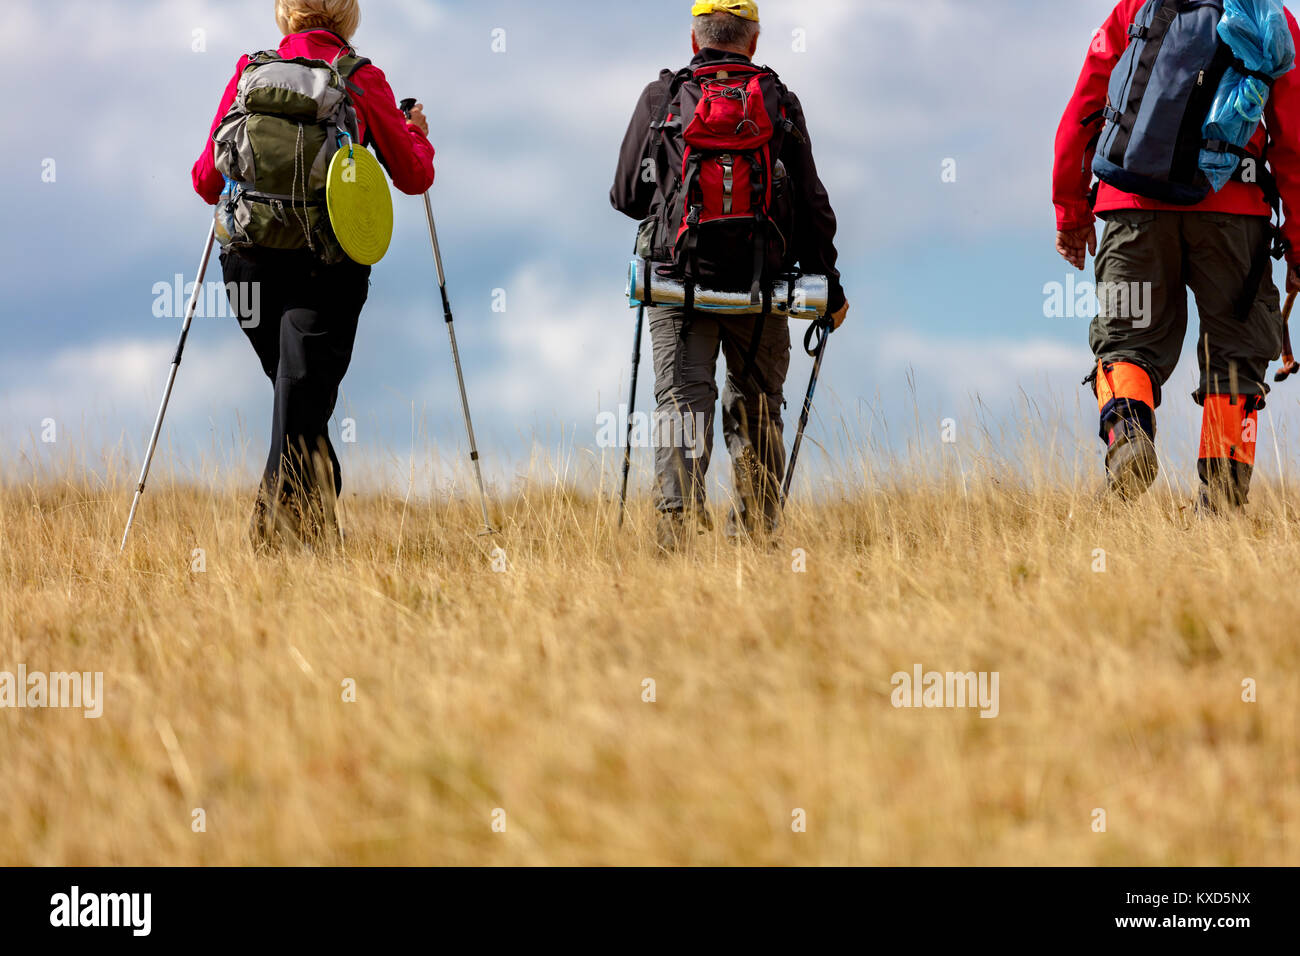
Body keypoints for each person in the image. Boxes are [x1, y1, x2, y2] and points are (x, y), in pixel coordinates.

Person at [192, 0, 434, 549]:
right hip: (325, 267)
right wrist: (416, 131)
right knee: (302, 398)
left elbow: (206, 180)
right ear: (347, 17)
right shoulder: (361, 78)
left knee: (298, 396)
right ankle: (273, 541)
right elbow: (414, 176)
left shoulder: (248, 72)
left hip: (246, 265)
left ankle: (312, 545)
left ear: (286, 14)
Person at [611, 0, 849, 551]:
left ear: (695, 40)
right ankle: (757, 540)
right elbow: (813, 203)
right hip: (761, 283)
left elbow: (626, 195)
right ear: (754, 40)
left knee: (681, 404)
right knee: (757, 406)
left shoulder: (663, 97)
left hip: (680, 281)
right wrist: (829, 289)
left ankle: (675, 540)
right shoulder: (779, 101)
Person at [1054, 0, 1300, 512]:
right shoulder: (1269, 17)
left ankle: (1128, 436)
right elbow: (1295, 143)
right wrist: (1298, 242)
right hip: (1233, 214)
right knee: (1236, 355)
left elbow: (1085, 107)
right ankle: (1222, 497)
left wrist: (1071, 211)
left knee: (1125, 342)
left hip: (1133, 204)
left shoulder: (1138, 7)